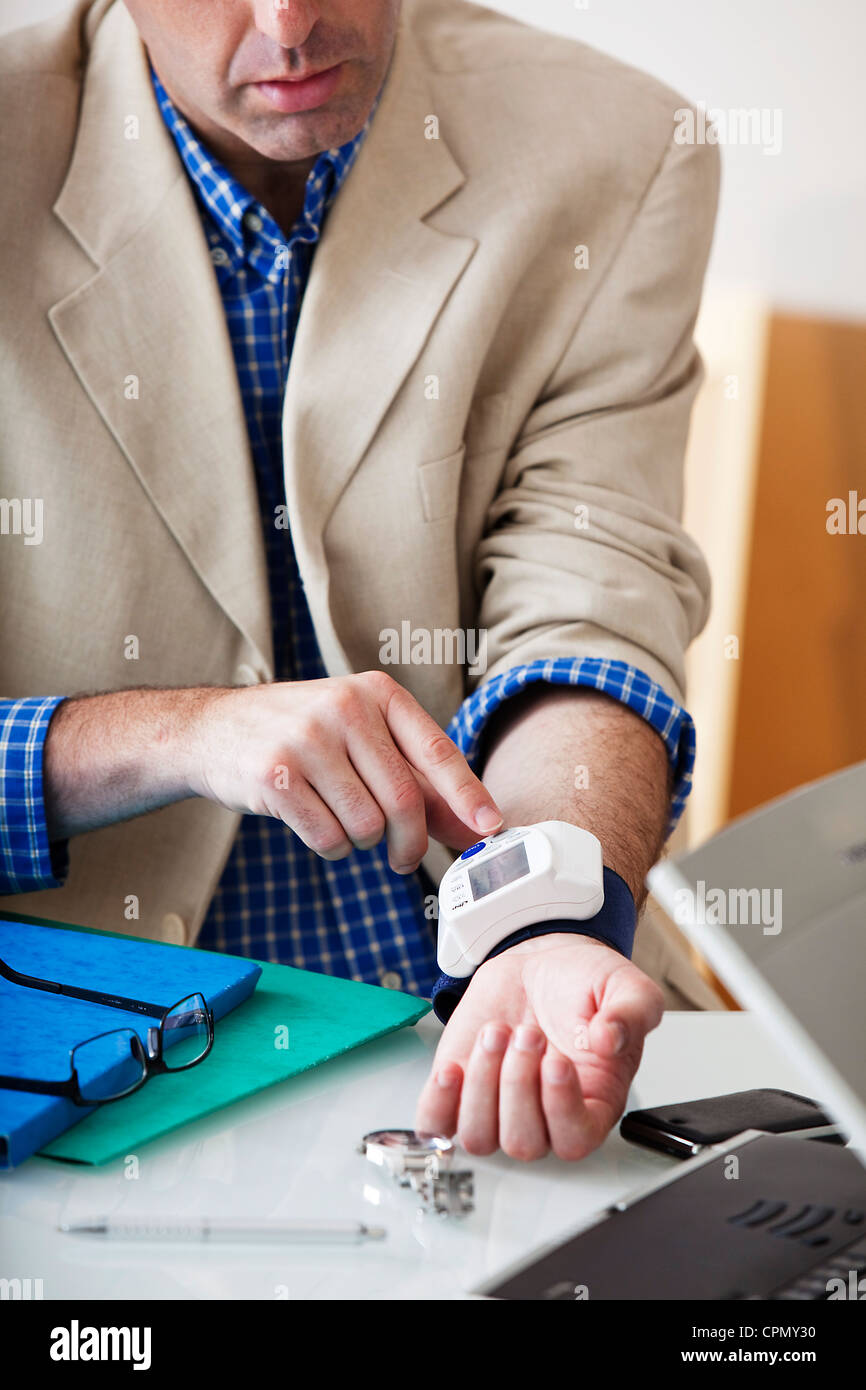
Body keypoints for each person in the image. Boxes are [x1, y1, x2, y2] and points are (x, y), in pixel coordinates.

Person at [0, 0, 720, 1162]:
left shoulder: (616, 144)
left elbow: (592, 594)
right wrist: (175, 734)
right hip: (83, 1062)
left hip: (516, 1003)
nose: (290, 22)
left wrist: (546, 921)